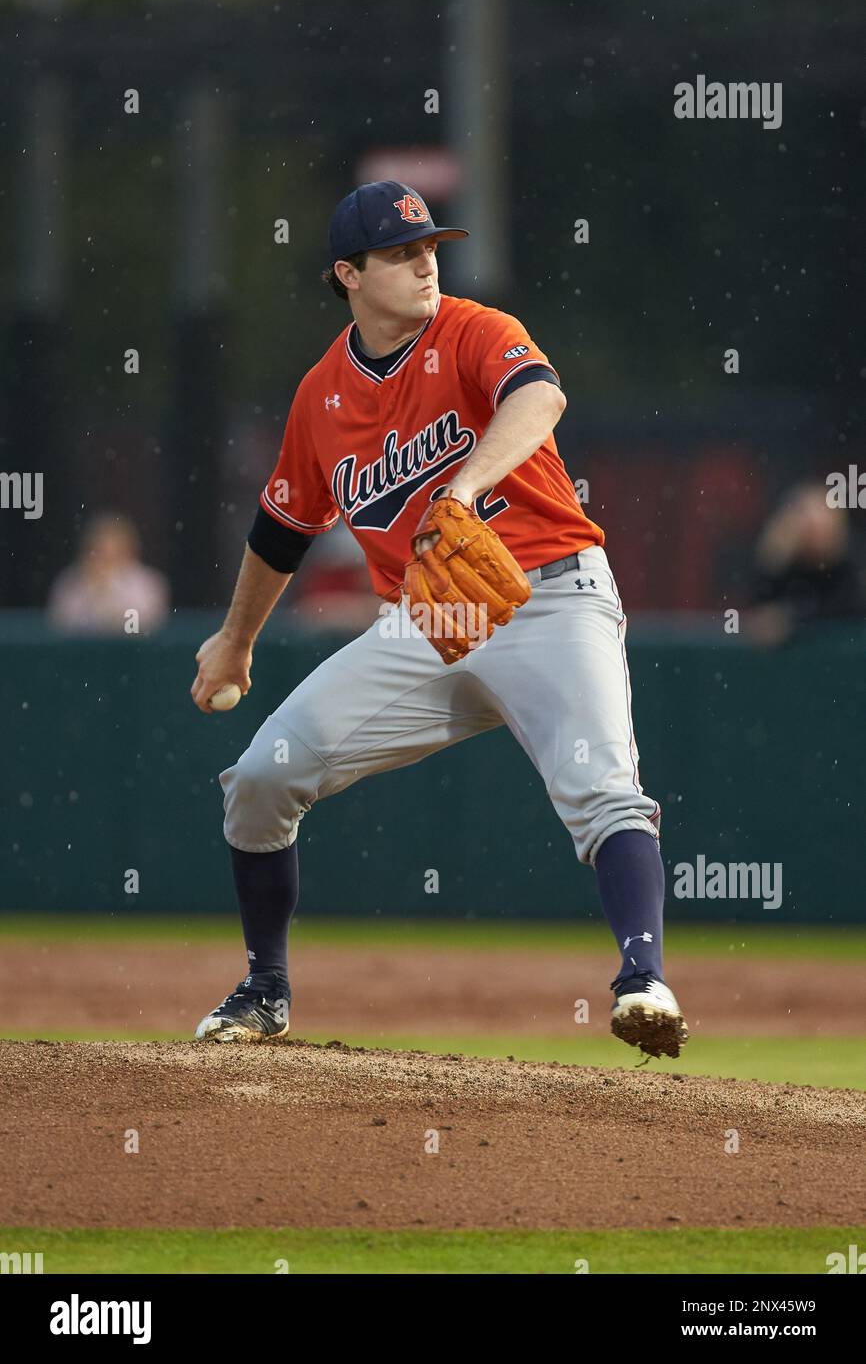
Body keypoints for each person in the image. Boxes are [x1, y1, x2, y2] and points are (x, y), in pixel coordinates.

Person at [190, 181, 687, 1058]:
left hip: (552, 594)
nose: (426, 263)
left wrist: (460, 486)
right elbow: (282, 527)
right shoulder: (320, 398)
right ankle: (265, 990)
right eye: (399, 253)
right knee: (263, 775)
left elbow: (540, 400)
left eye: (430, 247)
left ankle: (642, 979)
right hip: (431, 622)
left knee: (602, 790)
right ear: (347, 273)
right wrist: (235, 643)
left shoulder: (474, 330)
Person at [744, 481, 866, 646]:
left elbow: (845, 608)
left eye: (823, 524)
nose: (817, 535)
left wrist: (790, 618)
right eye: (810, 527)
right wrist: (773, 558)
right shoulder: (786, 566)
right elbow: (761, 608)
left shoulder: (852, 564)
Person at [47, 512, 169, 635]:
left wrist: (110, 589)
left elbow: (146, 624)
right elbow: (61, 624)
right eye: (100, 551)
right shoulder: (69, 582)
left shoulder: (149, 583)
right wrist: (93, 591)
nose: (106, 560)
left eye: (114, 552)